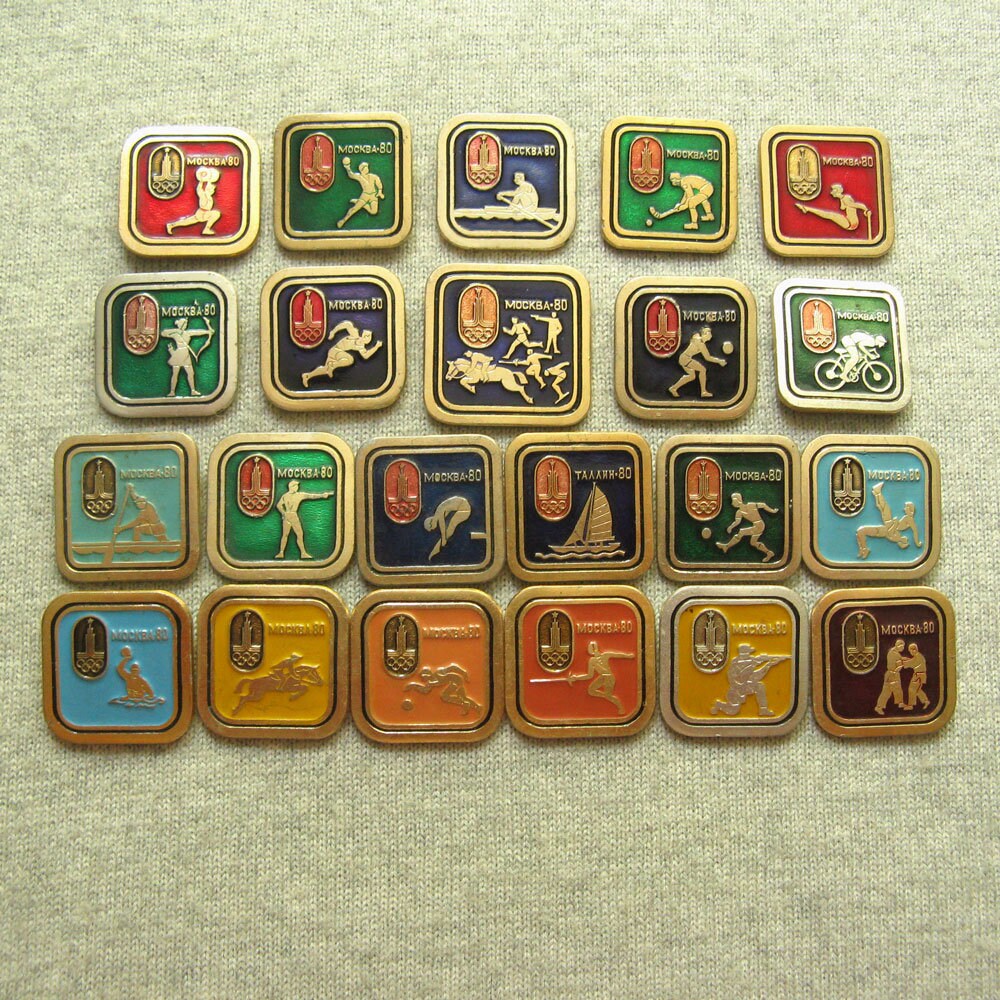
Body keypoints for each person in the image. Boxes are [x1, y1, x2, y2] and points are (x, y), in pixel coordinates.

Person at [710, 644, 787, 716]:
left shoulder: (748, 663)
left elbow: (754, 676)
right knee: (732, 711)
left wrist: (768, 665)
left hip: (745, 686)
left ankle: (763, 709)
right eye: (749, 653)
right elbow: (747, 677)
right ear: (744, 654)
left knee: (759, 686)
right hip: (736, 690)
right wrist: (759, 664)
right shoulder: (736, 665)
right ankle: (718, 705)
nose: (750, 655)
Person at [301, 321, 382, 386]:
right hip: (335, 351)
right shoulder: (355, 335)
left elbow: (366, 355)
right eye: (366, 336)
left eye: (369, 337)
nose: (367, 339)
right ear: (363, 335)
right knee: (350, 359)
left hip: (337, 353)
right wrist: (333, 332)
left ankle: (307, 376)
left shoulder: (361, 347)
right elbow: (347, 324)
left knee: (326, 369)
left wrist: (376, 347)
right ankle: (333, 365)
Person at [856, 482, 921, 558]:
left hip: (887, 526)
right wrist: (917, 542)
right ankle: (877, 492)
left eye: (906, 507)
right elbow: (915, 531)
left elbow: (891, 532)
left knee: (862, 530)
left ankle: (877, 492)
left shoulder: (898, 534)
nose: (904, 509)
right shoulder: (905, 523)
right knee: (882, 508)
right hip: (888, 524)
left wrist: (895, 524)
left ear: (910, 510)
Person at [274, 480, 333, 559]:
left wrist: (283, 513)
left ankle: (282, 553)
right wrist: (322, 495)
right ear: (291, 487)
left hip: (287, 515)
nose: (297, 487)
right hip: (293, 516)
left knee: (285, 535)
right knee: (298, 534)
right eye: (296, 486)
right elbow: (311, 496)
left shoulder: (285, 496)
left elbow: (278, 505)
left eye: (297, 486)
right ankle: (302, 553)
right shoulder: (298, 495)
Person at [716, 492, 778, 562]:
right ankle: (769, 553)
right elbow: (737, 522)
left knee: (741, 532)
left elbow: (763, 505)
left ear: (737, 500)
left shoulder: (751, 505)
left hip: (759, 525)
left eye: (733, 500)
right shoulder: (739, 512)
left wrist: (772, 511)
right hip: (756, 526)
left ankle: (726, 546)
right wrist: (731, 527)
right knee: (753, 543)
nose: (732, 503)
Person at [667, 326, 727, 398]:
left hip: (684, 358)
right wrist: (719, 361)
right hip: (685, 358)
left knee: (692, 376)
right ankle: (703, 392)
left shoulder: (699, 340)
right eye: (709, 333)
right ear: (705, 334)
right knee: (702, 370)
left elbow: (694, 336)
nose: (711, 335)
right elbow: (708, 357)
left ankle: (673, 388)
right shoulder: (700, 343)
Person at [161, 316, 213, 397]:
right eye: (184, 324)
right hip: (178, 354)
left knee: (191, 373)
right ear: (181, 324)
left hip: (186, 354)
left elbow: (197, 332)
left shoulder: (187, 333)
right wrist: (176, 331)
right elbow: (163, 333)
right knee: (175, 374)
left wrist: (208, 332)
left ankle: (193, 391)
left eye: (186, 324)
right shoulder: (175, 334)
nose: (186, 326)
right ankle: (172, 392)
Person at [166, 165, 222, 235]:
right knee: (216, 214)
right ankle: (206, 229)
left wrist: (208, 178)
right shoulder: (203, 195)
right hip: (203, 213)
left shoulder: (207, 195)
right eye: (212, 189)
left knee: (187, 221)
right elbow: (199, 189)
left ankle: (171, 225)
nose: (213, 191)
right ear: (208, 189)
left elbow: (206, 185)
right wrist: (201, 179)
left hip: (202, 213)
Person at [796, 183, 869, 231]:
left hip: (851, 223)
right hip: (848, 221)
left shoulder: (846, 198)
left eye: (832, 190)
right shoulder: (843, 198)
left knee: (829, 215)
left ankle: (807, 209)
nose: (831, 193)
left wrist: (865, 209)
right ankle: (807, 209)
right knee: (829, 215)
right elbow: (844, 207)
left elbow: (856, 205)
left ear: (837, 191)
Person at [336, 158, 383, 228]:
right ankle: (343, 221)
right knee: (354, 209)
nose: (366, 169)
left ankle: (361, 204)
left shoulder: (373, 176)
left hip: (373, 195)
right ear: (361, 170)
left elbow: (379, 183)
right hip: (365, 195)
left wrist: (380, 191)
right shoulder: (359, 177)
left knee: (373, 211)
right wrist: (348, 168)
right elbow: (351, 175)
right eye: (364, 168)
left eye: (367, 168)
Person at [874, 639, 906, 715]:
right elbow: (898, 664)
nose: (903, 648)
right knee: (887, 691)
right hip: (892, 674)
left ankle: (900, 703)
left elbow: (899, 660)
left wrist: (902, 660)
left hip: (893, 674)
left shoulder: (893, 652)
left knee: (898, 689)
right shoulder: (894, 654)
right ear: (898, 645)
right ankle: (879, 707)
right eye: (902, 646)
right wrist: (904, 663)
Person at [902, 642, 930, 711]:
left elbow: (912, 663)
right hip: (920, 675)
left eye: (910, 651)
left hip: (918, 675)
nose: (910, 653)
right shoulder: (919, 656)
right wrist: (906, 659)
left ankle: (910, 705)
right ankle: (926, 701)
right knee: (917, 690)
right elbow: (912, 660)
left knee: (911, 689)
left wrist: (903, 662)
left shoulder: (918, 657)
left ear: (914, 650)